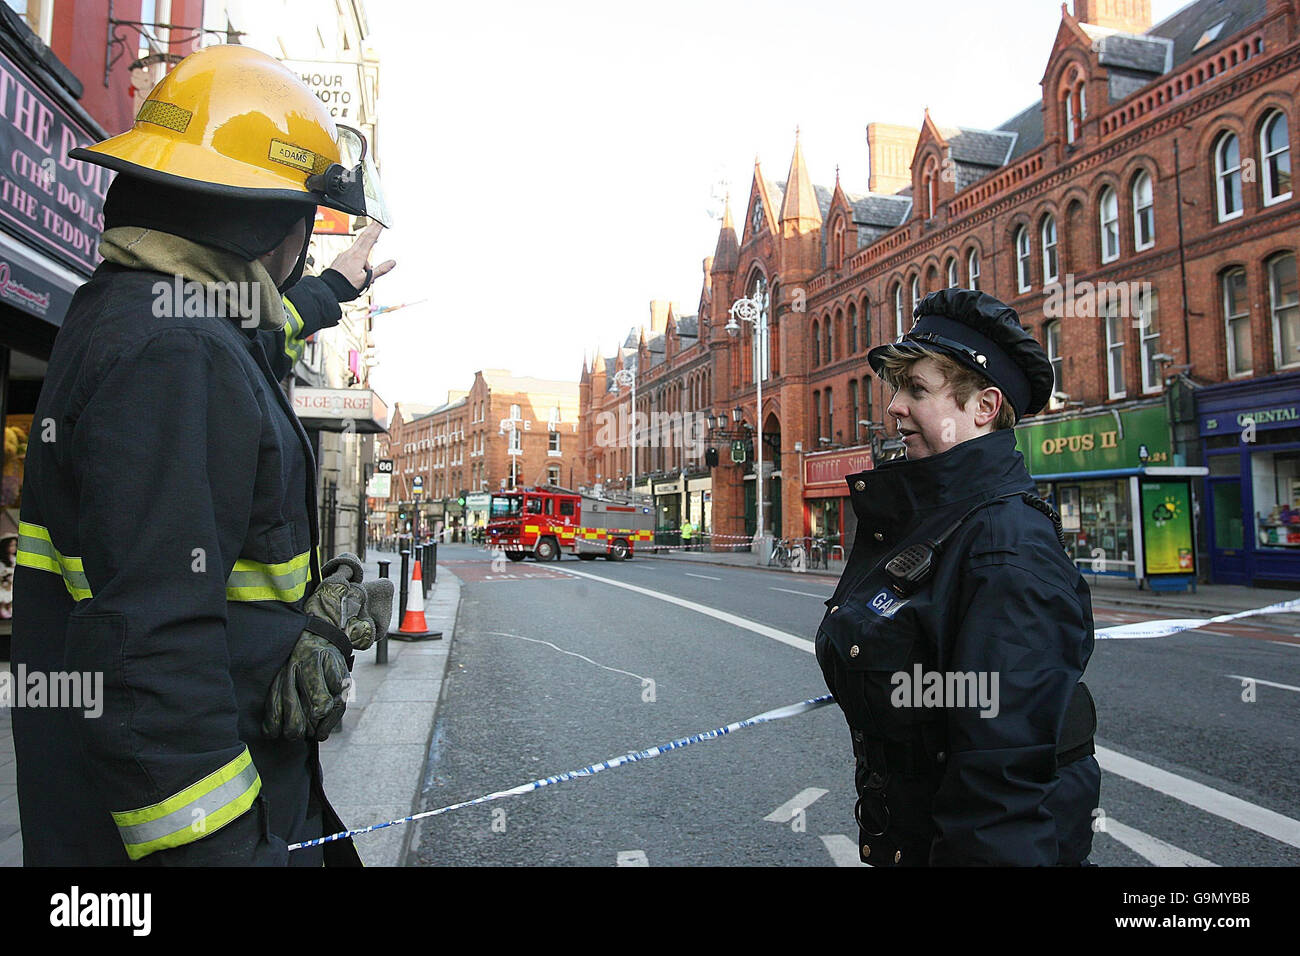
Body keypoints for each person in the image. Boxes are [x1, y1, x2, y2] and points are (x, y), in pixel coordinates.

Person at [12, 45, 394, 866]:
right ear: (269, 223)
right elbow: (149, 656)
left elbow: (255, 334)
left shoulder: (150, 310)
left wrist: (335, 288)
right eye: (304, 218)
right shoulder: (175, 354)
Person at [814, 289, 1100, 866]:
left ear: (985, 406)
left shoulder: (1002, 545)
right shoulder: (935, 520)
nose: (893, 406)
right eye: (896, 389)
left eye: (917, 389)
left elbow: (1002, 791)